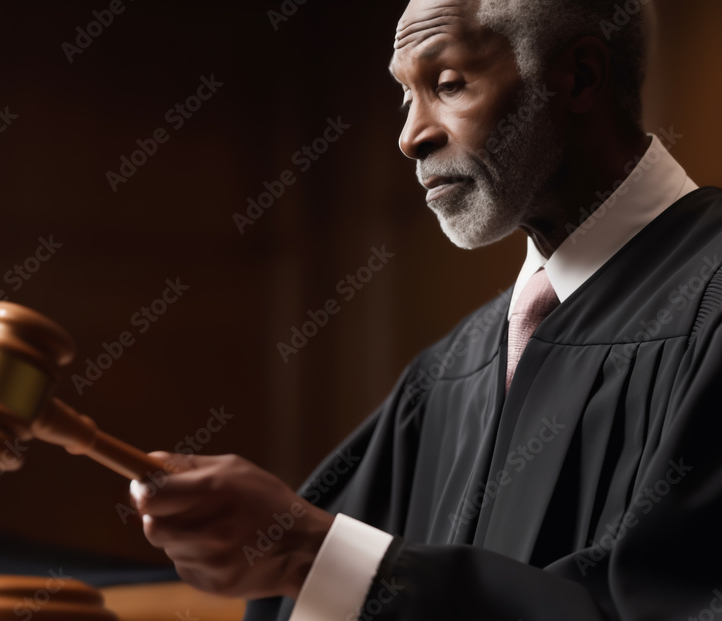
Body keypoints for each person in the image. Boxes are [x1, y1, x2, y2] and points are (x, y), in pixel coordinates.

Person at [130, 0, 722, 619]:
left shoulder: (708, 305)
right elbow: (299, 578)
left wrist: (310, 552)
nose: (411, 137)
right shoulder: (451, 371)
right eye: (404, 97)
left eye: (447, 85)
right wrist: (280, 551)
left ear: (579, 77)